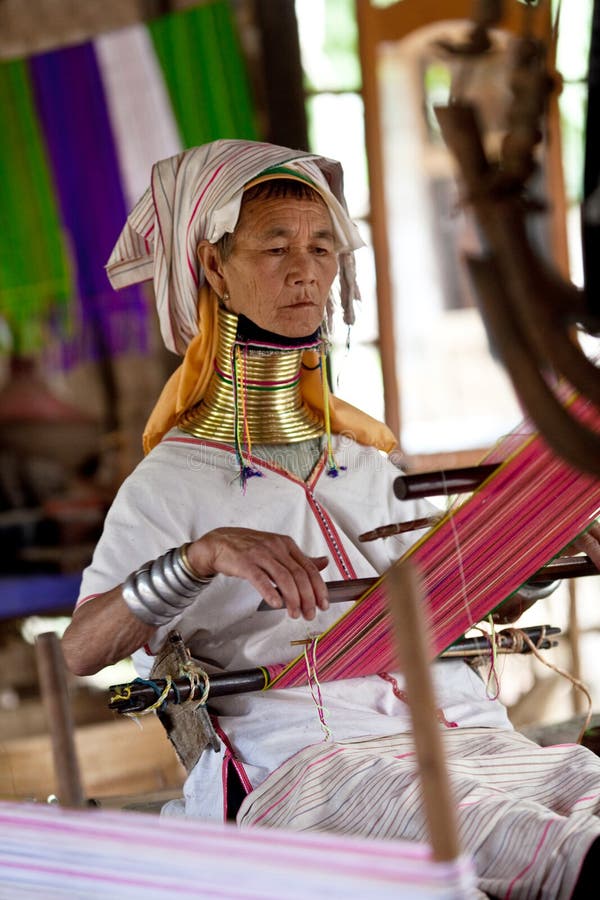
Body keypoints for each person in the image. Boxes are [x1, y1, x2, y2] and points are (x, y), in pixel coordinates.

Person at [62, 139, 600, 899]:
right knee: (535, 845)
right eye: (275, 245)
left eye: (322, 246)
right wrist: (199, 558)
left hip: (471, 734)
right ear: (214, 268)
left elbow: (452, 599)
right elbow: (81, 649)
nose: (305, 268)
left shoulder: (362, 461)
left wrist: (535, 559)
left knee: (585, 786)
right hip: (318, 764)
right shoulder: (170, 483)